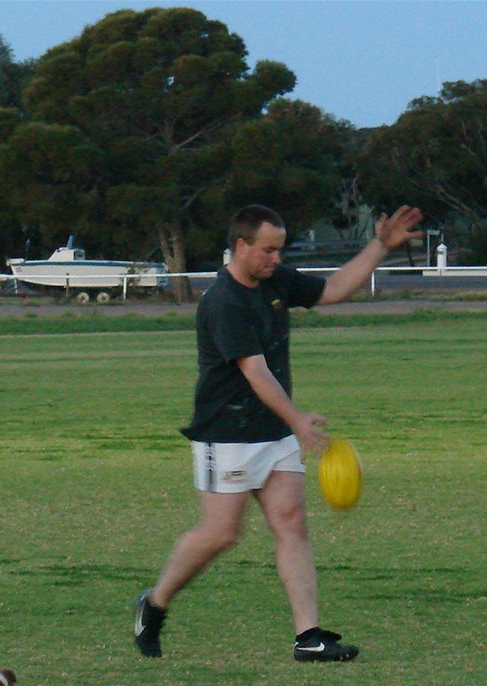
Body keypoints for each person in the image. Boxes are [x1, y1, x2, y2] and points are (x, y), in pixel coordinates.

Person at [133, 203, 424, 662]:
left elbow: (332, 289)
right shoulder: (222, 301)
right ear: (241, 246)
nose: (275, 259)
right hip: (225, 434)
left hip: (273, 432)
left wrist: (379, 246)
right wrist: (298, 419)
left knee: (291, 522)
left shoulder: (275, 280)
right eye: (268, 250)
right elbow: (255, 371)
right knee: (221, 534)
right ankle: (154, 603)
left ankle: (308, 636)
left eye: (280, 251)